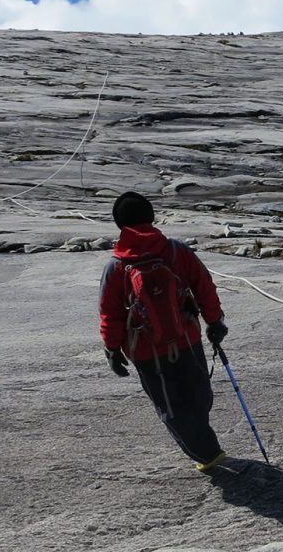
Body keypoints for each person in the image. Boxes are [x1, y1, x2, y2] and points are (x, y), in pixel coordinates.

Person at [99, 192, 230, 471]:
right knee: (197, 394)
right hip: (187, 339)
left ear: (119, 225)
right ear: (152, 217)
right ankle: (206, 448)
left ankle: (206, 453)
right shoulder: (176, 251)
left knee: (170, 405)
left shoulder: (116, 266)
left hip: (146, 351)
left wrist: (112, 349)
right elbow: (203, 286)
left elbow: (110, 312)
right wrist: (215, 322)